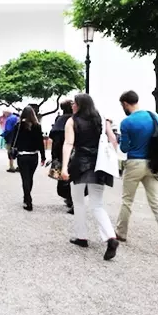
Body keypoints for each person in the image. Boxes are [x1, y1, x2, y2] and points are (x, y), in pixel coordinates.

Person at [115, 90, 158, 255]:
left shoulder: (126, 122)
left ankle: (121, 233)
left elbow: (124, 148)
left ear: (126, 104)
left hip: (135, 163)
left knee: (127, 200)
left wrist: (120, 138)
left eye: (123, 105)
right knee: (156, 203)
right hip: (153, 163)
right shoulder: (153, 116)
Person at [61, 94, 120, 261]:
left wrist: (64, 167)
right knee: (97, 204)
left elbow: (68, 144)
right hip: (99, 164)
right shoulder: (101, 119)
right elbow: (113, 139)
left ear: (79, 105)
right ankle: (111, 237)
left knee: (78, 202)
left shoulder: (72, 121)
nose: (72, 105)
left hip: (79, 164)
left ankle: (82, 236)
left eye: (74, 103)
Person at [11, 106, 46, 211]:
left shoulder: (18, 126)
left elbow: (14, 141)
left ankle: (27, 199)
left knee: (24, 178)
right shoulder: (37, 126)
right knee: (30, 178)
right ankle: (27, 197)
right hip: (33, 156)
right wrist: (43, 156)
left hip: (22, 155)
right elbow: (41, 143)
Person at [49, 100, 75, 213]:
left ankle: (71, 199)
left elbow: (55, 140)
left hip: (62, 153)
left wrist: (54, 155)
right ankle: (72, 199)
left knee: (64, 178)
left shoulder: (60, 120)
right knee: (73, 178)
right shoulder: (76, 119)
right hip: (76, 153)